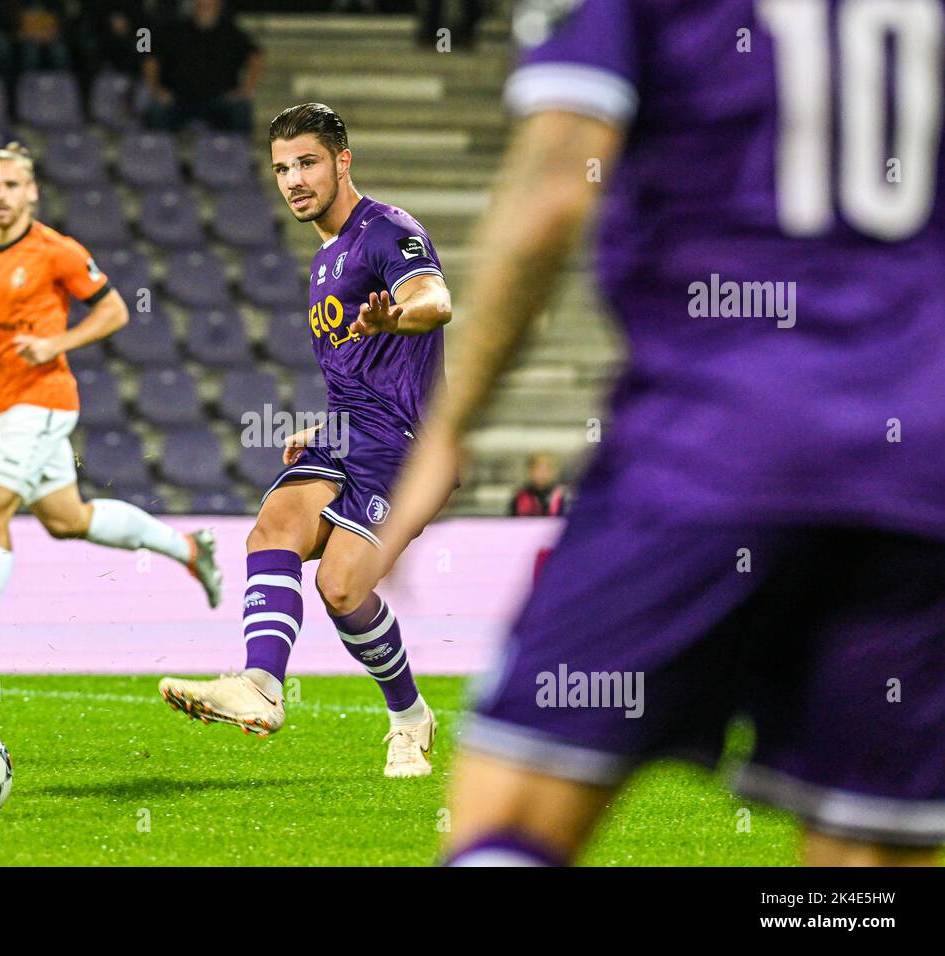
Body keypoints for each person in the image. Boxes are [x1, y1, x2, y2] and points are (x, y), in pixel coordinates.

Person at [379, 0, 945, 866]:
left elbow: (556, 187)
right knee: (865, 864)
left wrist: (450, 428)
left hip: (713, 445)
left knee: (512, 822)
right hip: (918, 474)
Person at [158, 103, 454, 778]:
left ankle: (409, 716)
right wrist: (325, 425)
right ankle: (261, 688)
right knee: (271, 530)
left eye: (307, 163)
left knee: (342, 588)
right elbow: (362, 372)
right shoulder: (324, 260)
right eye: (282, 169)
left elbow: (437, 300)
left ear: (343, 161)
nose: (293, 180)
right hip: (350, 430)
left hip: (407, 446)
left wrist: (397, 319)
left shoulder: (387, 231)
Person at [0, 143, 223, 674]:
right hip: (8, 403)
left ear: (31, 192)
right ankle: (188, 547)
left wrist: (57, 344)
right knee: (66, 520)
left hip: (44, 399)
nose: (2, 195)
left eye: (12, 185)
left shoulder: (57, 251)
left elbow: (116, 311)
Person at [141, 0, 262, 134]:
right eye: (202, 4)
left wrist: (248, 88)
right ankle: (157, 153)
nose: (206, 8)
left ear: (219, 6)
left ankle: (238, 153)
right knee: (157, 109)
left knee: (241, 108)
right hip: (178, 100)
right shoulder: (175, 31)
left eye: (210, 5)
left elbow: (254, 56)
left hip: (219, 101)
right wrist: (156, 88)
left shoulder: (231, 33)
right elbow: (151, 59)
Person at [509, 451, 567, 516]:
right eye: (539, 469)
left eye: (547, 469)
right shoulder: (520, 495)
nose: (543, 474)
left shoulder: (560, 495)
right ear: (530, 470)